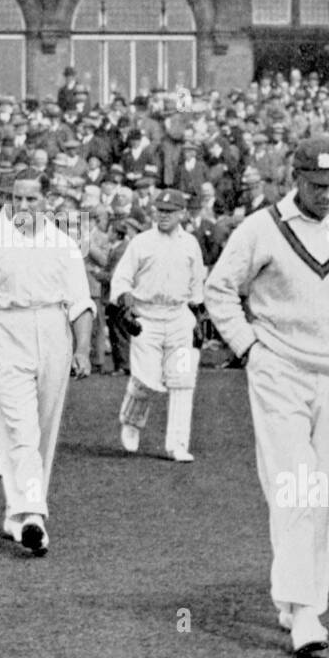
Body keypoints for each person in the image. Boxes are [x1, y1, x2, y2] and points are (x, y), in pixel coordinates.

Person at [205, 139, 329, 656]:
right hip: (279, 369)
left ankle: (298, 597)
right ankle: (306, 614)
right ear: (295, 180)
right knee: (294, 487)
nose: (327, 197)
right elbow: (220, 288)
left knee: (326, 493)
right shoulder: (262, 227)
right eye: (316, 186)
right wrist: (249, 349)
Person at [0, 169, 95, 555]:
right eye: (16, 199)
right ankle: (34, 513)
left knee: (44, 430)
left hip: (53, 331)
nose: (22, 206)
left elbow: (81, 303)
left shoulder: (64, 244)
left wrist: (83, 350)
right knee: (19, 428)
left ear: (47, 201)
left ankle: (16, 512)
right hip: (7, 332)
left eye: (31, 199)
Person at [109, 188, 206, 462]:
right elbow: (122, 279)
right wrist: (127, 306)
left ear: (182, 214)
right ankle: (131, 421)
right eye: (160, 211)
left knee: (183, 381)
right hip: (146, 318)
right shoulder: (141, 242)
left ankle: (177, 445)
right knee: (145, 380)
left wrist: (198, 318)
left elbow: (196, 283)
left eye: (170, 212)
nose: (163, 216)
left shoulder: (190, 244)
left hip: (178, 317)